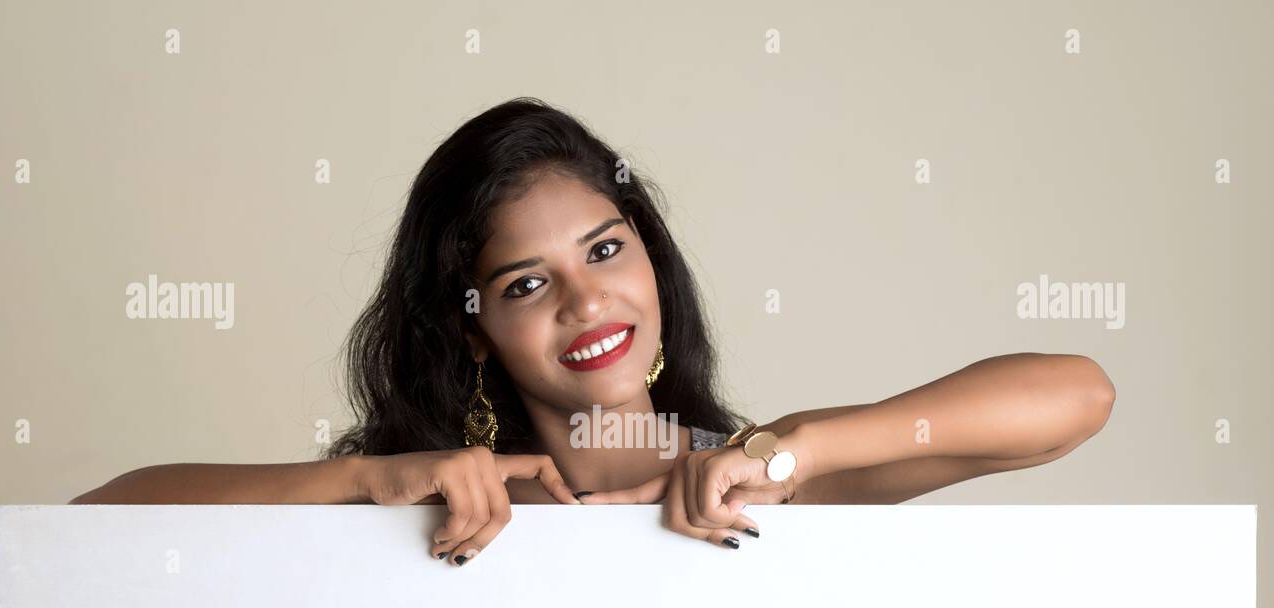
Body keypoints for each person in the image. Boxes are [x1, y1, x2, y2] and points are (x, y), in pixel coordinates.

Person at [70, 97, 1116, 564]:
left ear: (652, 262)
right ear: (473, 329)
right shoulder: (418, 510)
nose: (586, 303)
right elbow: (89, 523)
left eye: (606, 252)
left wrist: (784, 452)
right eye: (527, 283)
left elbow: (1075, 396)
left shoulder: (753, 478)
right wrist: (363, 482)